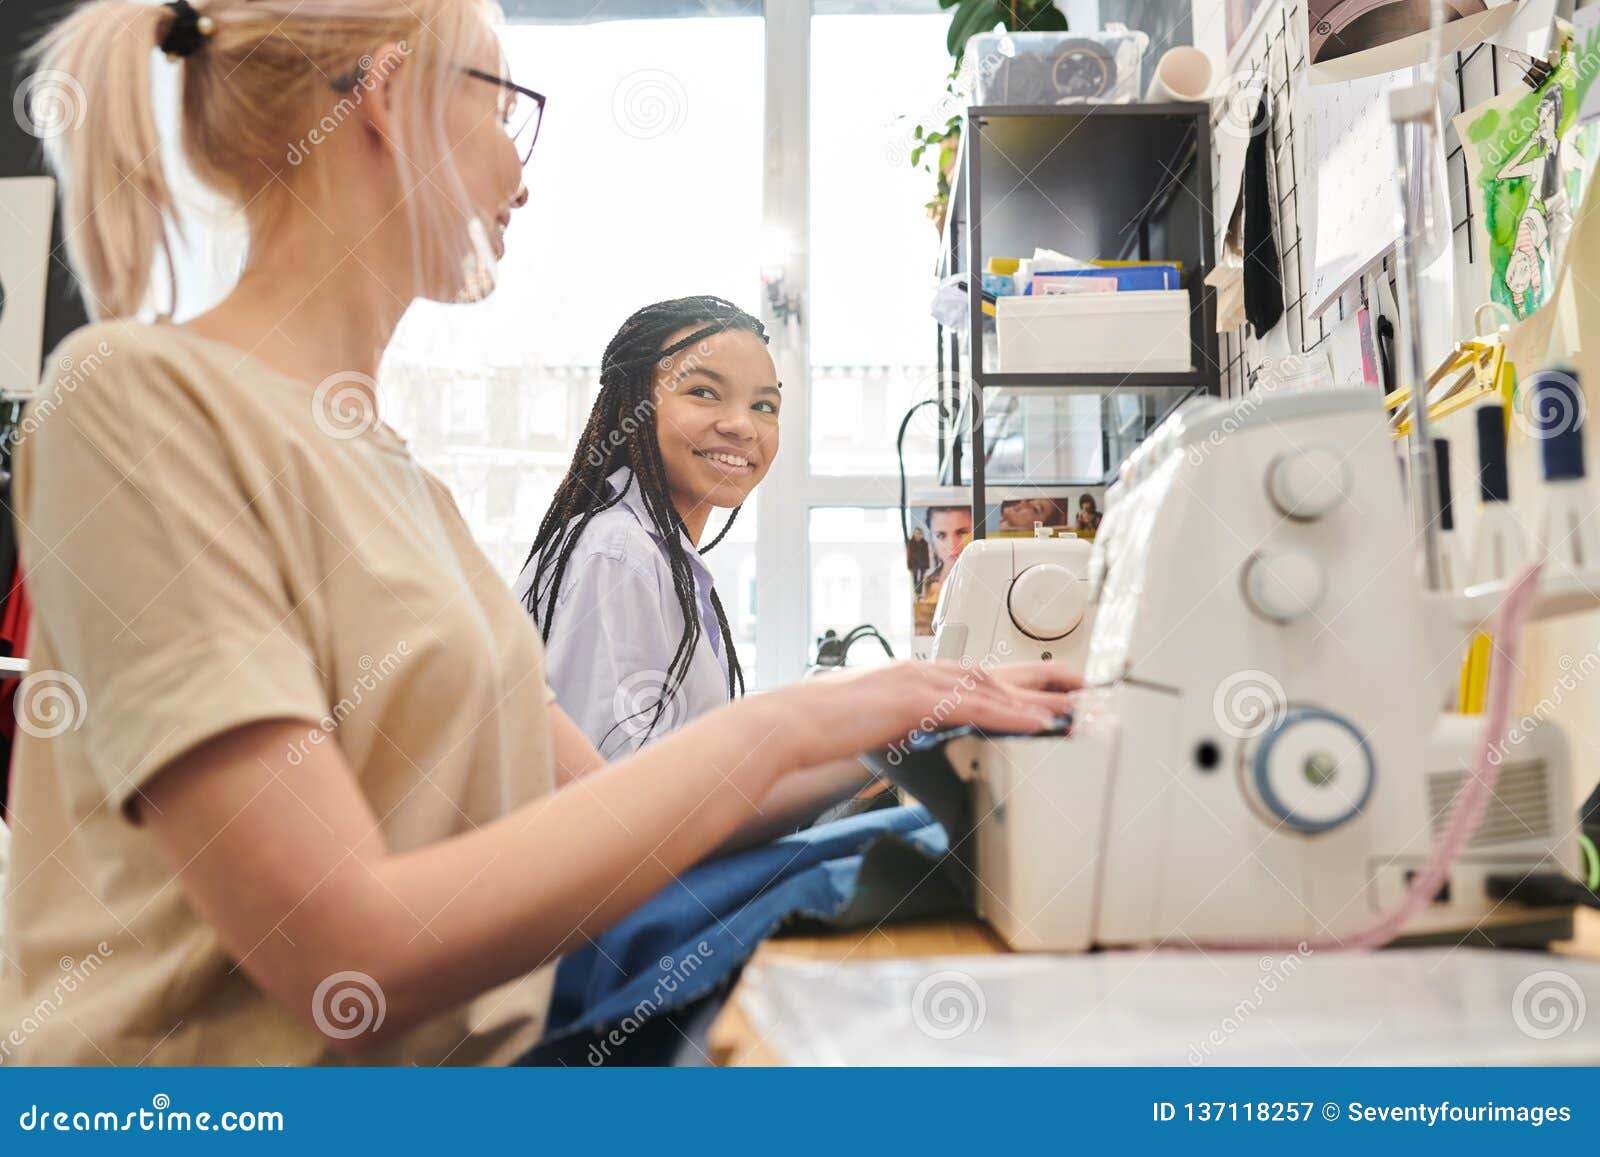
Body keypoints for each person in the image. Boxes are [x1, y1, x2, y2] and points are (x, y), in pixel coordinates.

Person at [0, 0, 1078, 1067]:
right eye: (501, 104)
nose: (523, 166)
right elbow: (347, 956)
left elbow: (605, 808)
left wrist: (912, 721)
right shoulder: (136, 401)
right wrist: (793, 722)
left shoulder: (407, 490)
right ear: (384, 94)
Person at [519, 296, 775, 757]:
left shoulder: (660, 555)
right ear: (630, 410)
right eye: (703, 392)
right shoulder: (617, 553)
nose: (743, 426)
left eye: (764, 404)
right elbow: (605, 793)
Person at [906, 527, 930, 598]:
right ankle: (916, 594)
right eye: (916, 533)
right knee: (915, 579)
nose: (917, 535)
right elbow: (909, 555)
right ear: (914, 534)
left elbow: (926, 554)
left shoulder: (924, 543)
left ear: (921, 534)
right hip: (914, 564)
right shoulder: (911, 543)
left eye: (919, 533)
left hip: (922, 564)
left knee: (921, 579)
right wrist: (909, 565)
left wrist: (927, 565)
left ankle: (919, 593)